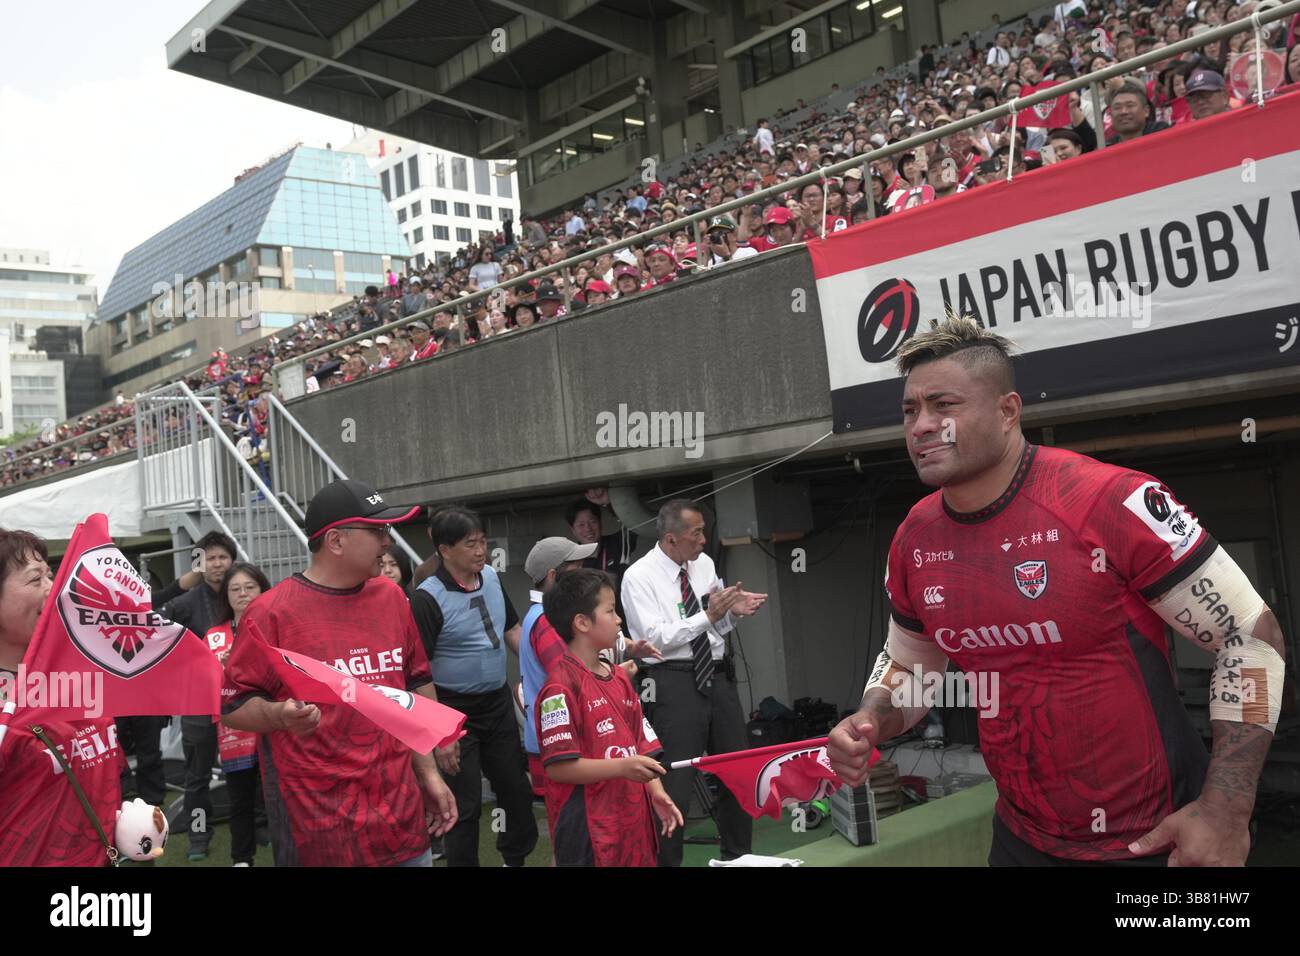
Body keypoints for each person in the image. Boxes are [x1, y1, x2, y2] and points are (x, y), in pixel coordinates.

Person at [826, 314, 1286, 866]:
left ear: (1007, 411)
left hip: (1155, 839)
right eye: (909, 410)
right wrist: (873, 717)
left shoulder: (1111, 499)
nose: (922, 425)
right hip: (1023, 840)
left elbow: (1251, 633)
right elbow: (911, 666)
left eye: (943, 405)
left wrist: (1225, 811)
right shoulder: (913, 539)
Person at [221, 478, 457, 866]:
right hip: (320, 831)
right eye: (377, 530)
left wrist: (428, 772)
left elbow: (413, 688)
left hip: (402, 823)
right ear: (335, 541)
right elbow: (232, 707)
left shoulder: (392, 597)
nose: (387, 541)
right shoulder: (270, 613)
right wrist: (278, 715)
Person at [620, 500, 767, 866]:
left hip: (717, 673)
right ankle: (667, 863)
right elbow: (655, 637)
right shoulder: (639, 576)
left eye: (704, 529)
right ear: (671, 538)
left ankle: (738, 857)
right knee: (675, 782)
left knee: (737, 770)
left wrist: (732, 613)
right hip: (672, 681)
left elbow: (713, 626)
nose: (703, 540)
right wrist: (708, 615)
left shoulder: (705, 565)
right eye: (695, 533)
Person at [410, 507, 538, 867]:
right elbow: (419, 672)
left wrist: (543, 672)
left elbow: (512, 630)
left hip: (495, 702)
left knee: (514, 788)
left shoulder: (493, 578)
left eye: (483, 541)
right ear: (445, 550)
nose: (481, 550)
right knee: (463, 805)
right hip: (452, 710)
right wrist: (441, 733)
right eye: (471, 544)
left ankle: (515, 859)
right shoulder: (427, 598)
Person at [538, 569, 681, 866]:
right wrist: (622, 766)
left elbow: (641, 743)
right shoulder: (558, 687)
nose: (618, 620)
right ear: (582, 623)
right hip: (587, 828)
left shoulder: (620, 677)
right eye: (610, 610)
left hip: (632, 818)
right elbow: (559, 768)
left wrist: (655, 790)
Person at [0, 529, 126, 866]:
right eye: (34, 579)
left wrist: (124, 828)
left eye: (51, 575)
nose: (53, 588)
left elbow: (102, 774)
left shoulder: (81, 677)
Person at [161, 530, 237, 862]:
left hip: (239, 699)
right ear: (200, 563)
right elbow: (159, 633)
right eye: (210, 558)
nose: (218, 564)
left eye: (223, 557)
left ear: (233, 560)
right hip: (197, 702)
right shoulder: (184, 603)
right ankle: (198, 835)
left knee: (247, 770)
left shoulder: (244, 592)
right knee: (198, 776)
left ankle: (256, 825)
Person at [204, 562, 272, 867]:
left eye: (250, 587)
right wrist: (227, 667)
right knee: (240, 799)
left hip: (274, 722)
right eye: (235, 589)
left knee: (279, 795)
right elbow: (206, 687)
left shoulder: (277, 624)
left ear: (262, 589)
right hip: (234, 729)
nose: (243, 594)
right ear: (226, 596)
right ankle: (242, 859)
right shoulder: (214, 636)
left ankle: (290, 850)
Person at [518, 536, 598, 795]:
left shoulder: (541, 616)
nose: (584, 573)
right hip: (561, 744)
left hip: (556, 740)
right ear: (553, 576)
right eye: (577, 568)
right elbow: (575, 676)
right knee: (574, 825)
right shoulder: (546, 620)